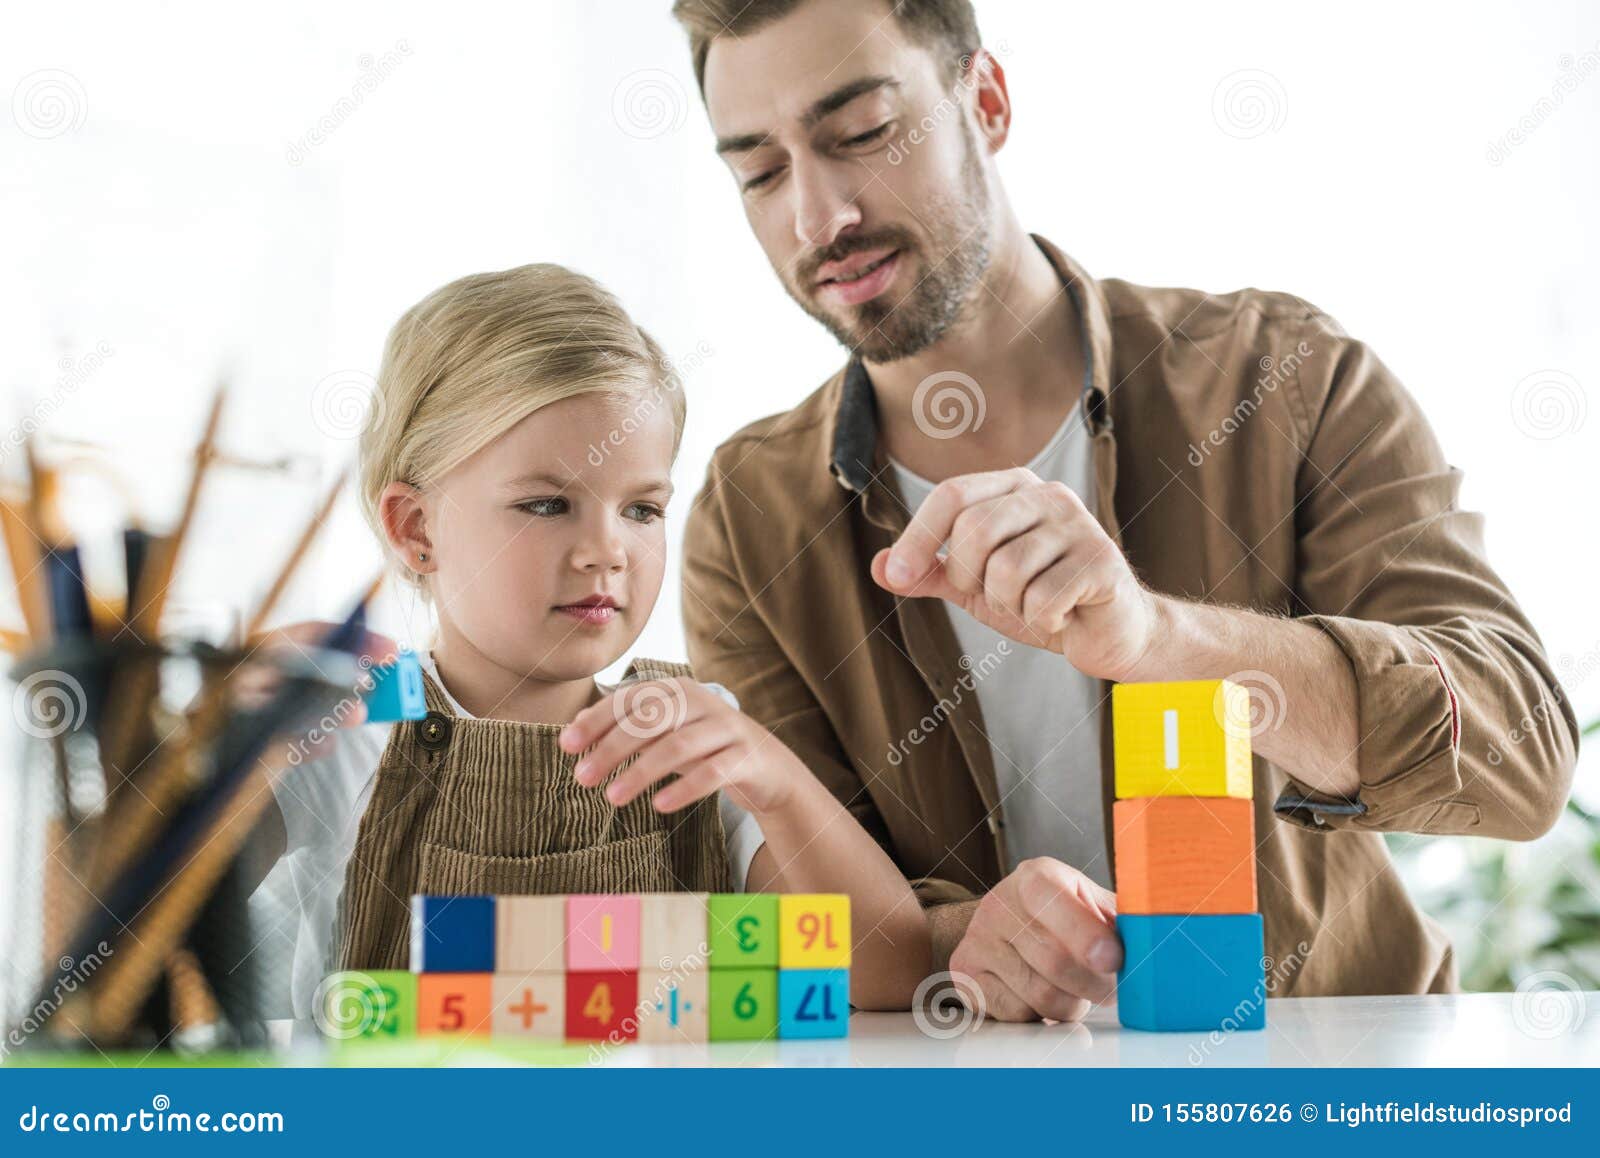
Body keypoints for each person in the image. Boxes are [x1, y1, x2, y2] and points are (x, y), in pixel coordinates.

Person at [670, 0, 1579, 1020]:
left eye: (865, 134)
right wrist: (960, 938)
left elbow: (1520, 755)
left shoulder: (1284, 379)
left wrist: (1161, 639)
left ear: (987, 100)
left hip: (1324, 1093)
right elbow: (801, 910)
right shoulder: (747, 519)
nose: (817, 217)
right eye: (759, 171)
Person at [255, 262, 930, 1025]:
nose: (606, 550)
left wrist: (774, 775)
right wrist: (216, 743)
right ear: (417, 529)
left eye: (642, 510)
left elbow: (890, 971)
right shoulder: (348, 728)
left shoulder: (693, 734)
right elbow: (114, 924)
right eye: (547, 504)